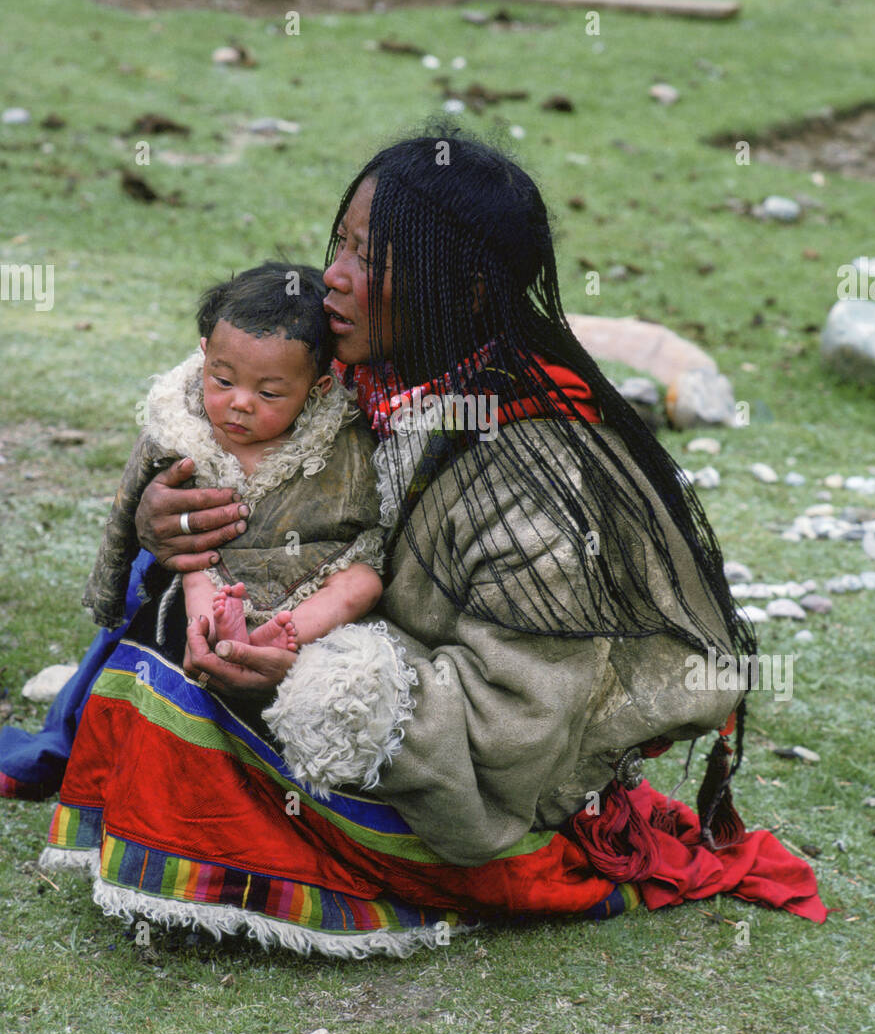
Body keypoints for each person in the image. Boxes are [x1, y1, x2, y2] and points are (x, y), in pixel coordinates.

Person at [3, 126, 826, 955]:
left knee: (163, 710)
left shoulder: (532, 478)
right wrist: (164, 519)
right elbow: (233, 459)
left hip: (481, 792)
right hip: (345, 648)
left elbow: (518, 741)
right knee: (174, 622)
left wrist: (308, 674)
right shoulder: (367, 380)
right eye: (343, 244)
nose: (334, 275)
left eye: (371, 257)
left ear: (463, 290)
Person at [81, 261, 385, 671]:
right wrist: (108, 594)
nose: (240, 403)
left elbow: (370, 513)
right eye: (223, 381)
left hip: (311, 569)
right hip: (219, 565)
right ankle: (213, 636)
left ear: (318, 388)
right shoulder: (180, 429)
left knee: (362, 583)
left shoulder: (338, 434)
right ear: (205, 355)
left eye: (270, 393)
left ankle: (279, 635)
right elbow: (125, 509)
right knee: (196, 575)